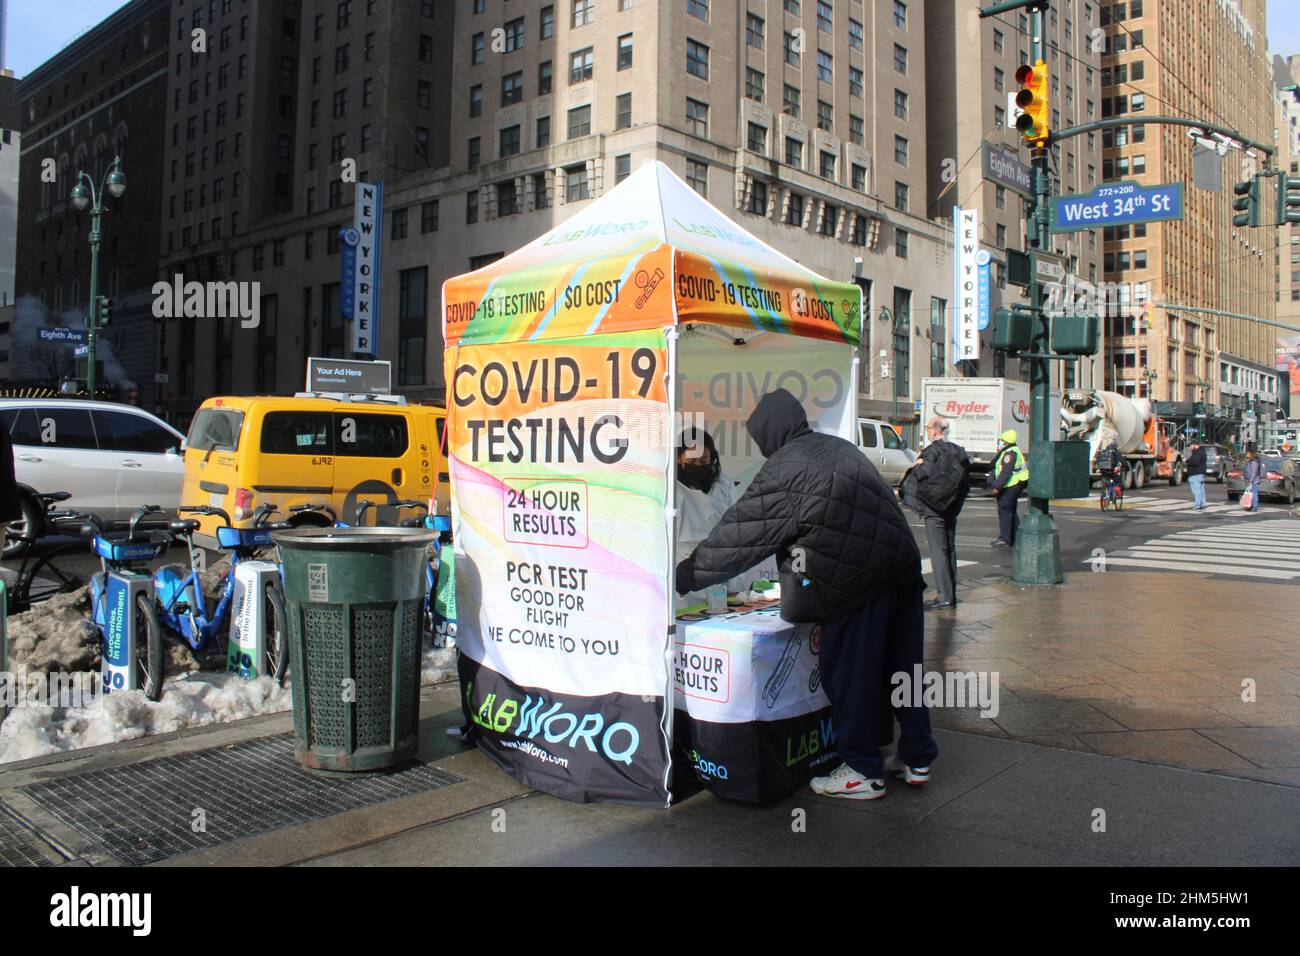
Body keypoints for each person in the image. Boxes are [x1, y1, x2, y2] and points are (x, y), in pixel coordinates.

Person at [675, 389, 936, 800]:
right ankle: (918, 756)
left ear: (769, 435)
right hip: (902, 569)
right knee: (904, 669)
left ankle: (862, 771)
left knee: (851, 675)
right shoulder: (838, 448)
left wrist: (685, 575)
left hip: (855, 582)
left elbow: (738, 539)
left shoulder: (785, 468)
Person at [673, 426, 775, 607]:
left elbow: (737, 522)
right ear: (679, 457)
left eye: (703, 460)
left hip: (719, 562)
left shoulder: (722, 483)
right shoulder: (671, 488)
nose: (698, 465)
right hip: (683, 570)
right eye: (692, 460)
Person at [900, 417, 970, 610]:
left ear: (934, 431)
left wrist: (917, 466)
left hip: (934, 508)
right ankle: (951, 594)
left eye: (928, 428)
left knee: (938, 552)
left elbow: (923, 476)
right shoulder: (957, 451)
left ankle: (944, 596)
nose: (927, 431)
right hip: (951, 507)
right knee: (950, 550)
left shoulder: (932, 452)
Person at [987, 429, 1028, 547]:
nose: (1000, 442)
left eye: (1002, 440)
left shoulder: (1009, 454)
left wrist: (997, 486)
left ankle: (1004, 538)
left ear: (1006, 441)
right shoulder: (1012, 450)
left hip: (1011, 485)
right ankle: (1015, 537)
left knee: (1005, 511)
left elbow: (1006, 472)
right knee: (1011, 511)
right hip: (1016, 484)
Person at [1186, 441, 1208, 511]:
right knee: (1201, 490)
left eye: (1190, 446)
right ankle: (1203, 504)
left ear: (1194, 445)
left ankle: (1197, 505)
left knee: (1197, 491)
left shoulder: (1197, 452)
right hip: (1201, 474)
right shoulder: (1203, 452)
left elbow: (1194, 462)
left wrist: (1187, 461)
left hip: (1195, 474)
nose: (1190, 448)